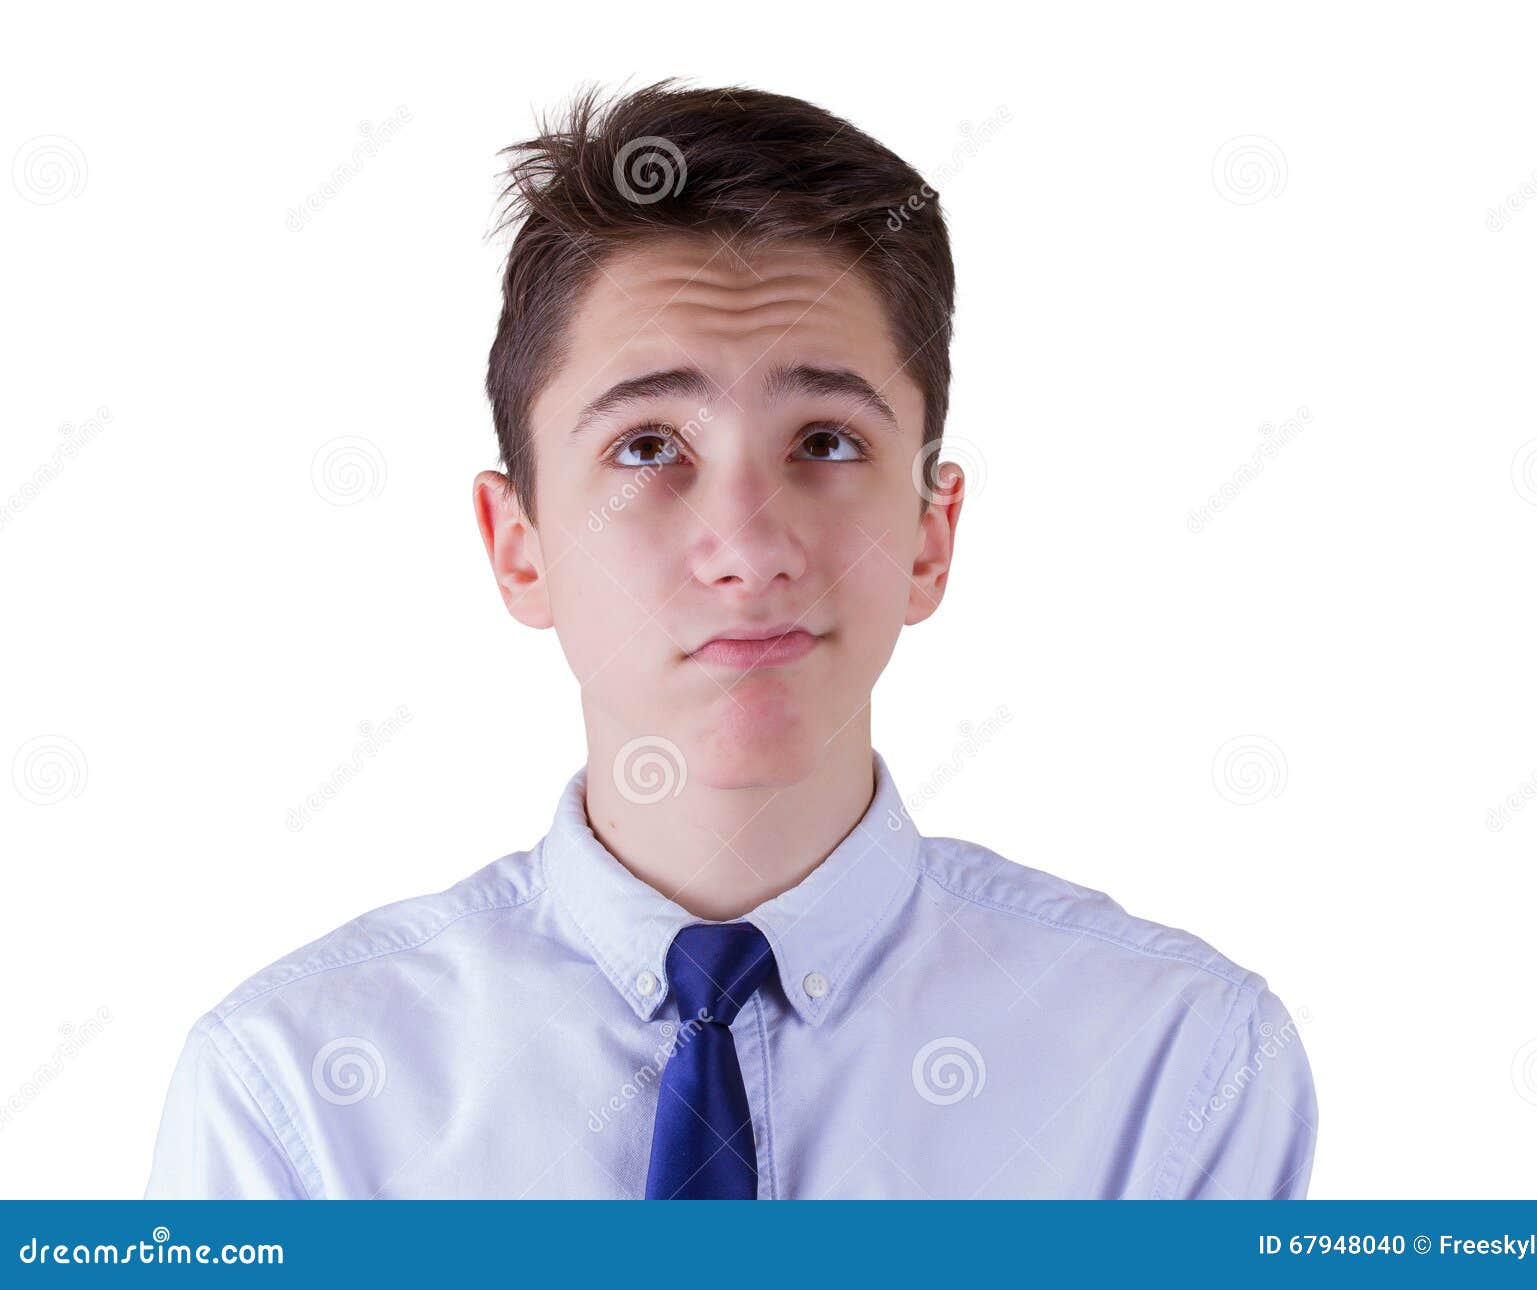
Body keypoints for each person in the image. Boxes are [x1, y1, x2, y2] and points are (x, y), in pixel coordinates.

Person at [144, 78, 1316, 1200]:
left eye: (825, 441)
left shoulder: (1181, 1066)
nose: (749, 549)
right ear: (520, 545)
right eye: (649, 447)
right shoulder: (289, 1094)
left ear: (929, 534)